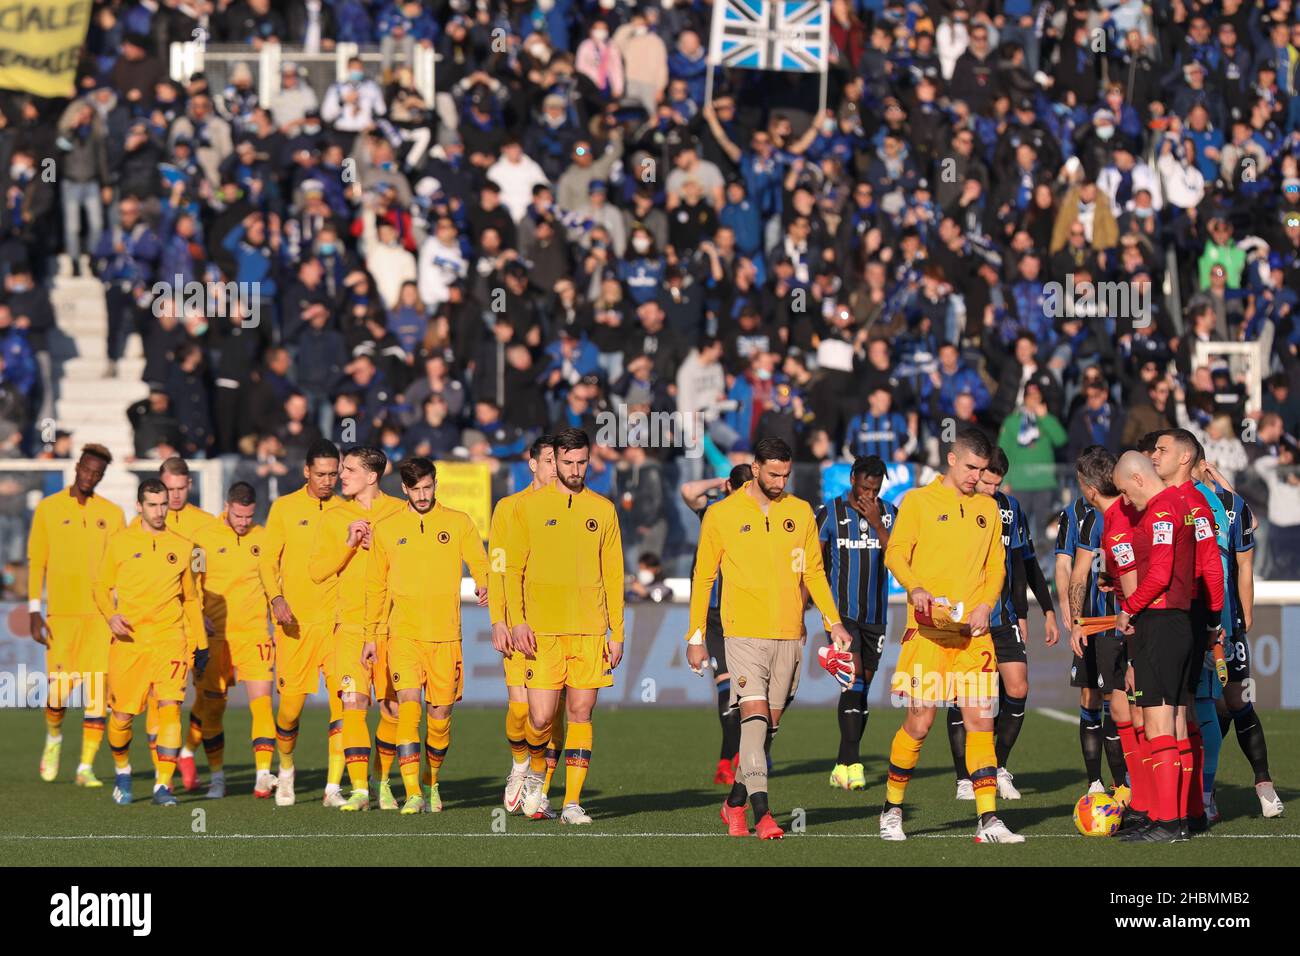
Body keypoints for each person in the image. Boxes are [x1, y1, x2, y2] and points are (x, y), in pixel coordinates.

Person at [688, 437, 850, 840]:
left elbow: (814, 573)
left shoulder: (799, 512)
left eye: (786, 474)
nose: (780, 481)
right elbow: (703, 577)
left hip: (789, 636)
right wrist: (695, 636)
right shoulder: (721, 515)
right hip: (740, 635)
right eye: (773, 473)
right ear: (755, 468)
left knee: (765, 730)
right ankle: (763, 814)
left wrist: (834, 623)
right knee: (755, 720)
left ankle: (733, 804)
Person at [880, 426, 1019, 844]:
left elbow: (997, 567)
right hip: (926, 634)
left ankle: (988, 819)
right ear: (953, 459)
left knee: (980, 721)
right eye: (972, 468)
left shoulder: (989, 510)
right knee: (919, 724)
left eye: (983, 470)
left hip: (973, 637)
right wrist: (915, 587)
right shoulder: (919, 502)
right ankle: (891, 809)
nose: (978, 477)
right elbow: (894, 554)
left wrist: (986, 604)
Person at [505, 428, 625, 825]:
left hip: (590, 632)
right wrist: (518, 620)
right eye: (567, 462)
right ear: (552, 461)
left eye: (581, 462)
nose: (575, 470)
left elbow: (614, 575)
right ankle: (536, 773)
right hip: (541, 633)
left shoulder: (604, 509)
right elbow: (513, 570)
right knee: (539, 718)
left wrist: (617, 632)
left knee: (581, 713)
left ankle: (572, 803)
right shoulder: (530, 507)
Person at [366, 457, 489, 813]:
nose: (422, 495)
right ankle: (411, 793)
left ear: (435, 484)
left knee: (440, 719)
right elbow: (374, 587)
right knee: (407, 707)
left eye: (428, 487)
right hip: (402, 634)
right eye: (415, 489)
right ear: (403, 488)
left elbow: (479, 562)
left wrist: (484, 583)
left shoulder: (458, 522)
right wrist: (372, 635)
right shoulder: (388, 528)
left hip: (446, 637)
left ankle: (431, 783)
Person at [947, 446, 1059, 802]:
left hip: (1005, 616)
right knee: (966, 698)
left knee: (1018, 688)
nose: (993, 489)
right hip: (965, 618)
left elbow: (1024, 563)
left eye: (998, 483)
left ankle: (998, 767)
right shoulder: (956, 507)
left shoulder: (1011, 509)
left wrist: (1042, 610)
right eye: (987, 482)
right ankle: (965, 776)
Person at [94, 478, 209, 806]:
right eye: (153, 505)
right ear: (139, 507)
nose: (161, 511)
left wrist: (200, 643)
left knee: (170, 708)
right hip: (130, 642)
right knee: (122, 717)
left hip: (170, 640)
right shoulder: (119, 543)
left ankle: (162, 785)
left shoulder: (184, 546)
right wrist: (110, 616)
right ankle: (123, 771)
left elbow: (190, 599)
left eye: (163, 504)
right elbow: (100, 586)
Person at [308, 445, 404, 811]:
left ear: (372, 476)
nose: (340, 476)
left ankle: (383, 783)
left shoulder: (399, 511)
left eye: (348, 470)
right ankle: (360, 789)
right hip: (348, 629)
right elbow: (317, 571)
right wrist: (348, 545)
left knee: (392, 709)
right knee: (353, 702)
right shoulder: (334, 516)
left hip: (391, 628)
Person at [28, 445, 125, 787]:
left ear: (101, 476)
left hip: (99, 617)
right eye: (85, 468)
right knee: (57, 697)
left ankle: (85, 767)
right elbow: (36, 561)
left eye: (96, 473)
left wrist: (118, 612)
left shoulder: (112, 514)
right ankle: (54, 738)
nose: (89, 475)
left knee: (98, 693)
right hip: (62, 616)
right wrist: (33, 609)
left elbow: (120, 567)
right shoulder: (49, 508)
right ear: (77, 467)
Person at [1112, 451, 1196, 843]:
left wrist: (1129, 607)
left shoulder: (1162, 511)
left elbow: (1160, 573)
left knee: (1160, 725)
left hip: (1161, 623)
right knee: (1176, 723)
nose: (1125, 501)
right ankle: (1175, 819)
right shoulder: (1178, 504)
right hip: (1176, 622)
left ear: (1139, 479)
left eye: (1126, 491)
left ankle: (1166, 823)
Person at [1196, 460, 1284, 819]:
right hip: (1189, 622)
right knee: (1205, 709)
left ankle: (1264, 785)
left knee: (1237, 700)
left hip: (1227, 621)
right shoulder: (1173, 500)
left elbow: (1251, 522)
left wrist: (1220, 479)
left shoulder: (1226, 504)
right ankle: (1205, 792)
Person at [258, 439, 341, 807]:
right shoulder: (285, 508)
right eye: (320, 474)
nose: (327, 481)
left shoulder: (347, 509)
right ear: (306, 471)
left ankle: (333, 787)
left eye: (333, 474)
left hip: (339, 628)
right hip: (295, 627)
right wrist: (276, 598)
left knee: (346, 706)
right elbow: (266, 562)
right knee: (289, 711)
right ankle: (287, 771)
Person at [1151, 428, 1226, 835]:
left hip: (1182, 612)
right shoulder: (1170, 500)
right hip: (1185, 612)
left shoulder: (1192, 503)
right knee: (1183, 709)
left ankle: (1175, 815)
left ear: (1184, 458)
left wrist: (1213, 620)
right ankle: (1189, 810)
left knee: (1176, 711)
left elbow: (1211, 567)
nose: (1154, 455)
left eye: (1162, 450)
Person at [489, 435, 563, 817]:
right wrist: (499, 619)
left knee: (552, 715)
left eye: (559, 460)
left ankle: (541, 789)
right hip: (521, 623)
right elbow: (499, 565)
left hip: (562, 625)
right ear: (532, 463)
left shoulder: (571, 506)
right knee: (522, 710)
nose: (555, 467)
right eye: (548, 460)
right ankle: (520, 765)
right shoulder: (510, 507)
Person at [815, 456, 896, 791]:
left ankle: (841, 763)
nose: (870, 495)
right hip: (842, 616)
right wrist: (810, 607)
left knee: (862, 690)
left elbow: (897, 560)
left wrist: (878, 523)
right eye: (865, 487)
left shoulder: (890, 513)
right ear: (852, 479)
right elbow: (815, 565)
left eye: (875, 489)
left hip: (876, 615)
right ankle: (855, 763)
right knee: (853, 682)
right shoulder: (829, 512)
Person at [190, 482, 275, 799]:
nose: (243, 522)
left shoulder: (263, 537)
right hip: (215, 638)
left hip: (253, 634)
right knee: (213, 709)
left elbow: (272, 584)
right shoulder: (204, 537)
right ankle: (217, 778)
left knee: (263, 704)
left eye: (249, 516)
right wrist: (198, 613)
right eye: (239, 516)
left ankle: (263, 775)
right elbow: (193, 582)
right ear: (228, 507)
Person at [679, 462, 753, 785]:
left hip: (748, 613)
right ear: (730, 488)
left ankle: (739, 755)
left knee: (748, 689)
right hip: (715, 616)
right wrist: (720, 481)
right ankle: (730, 759)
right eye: (742, 489)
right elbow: (687, 491)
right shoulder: (714, 511)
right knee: (726, 685)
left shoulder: (762, 515)